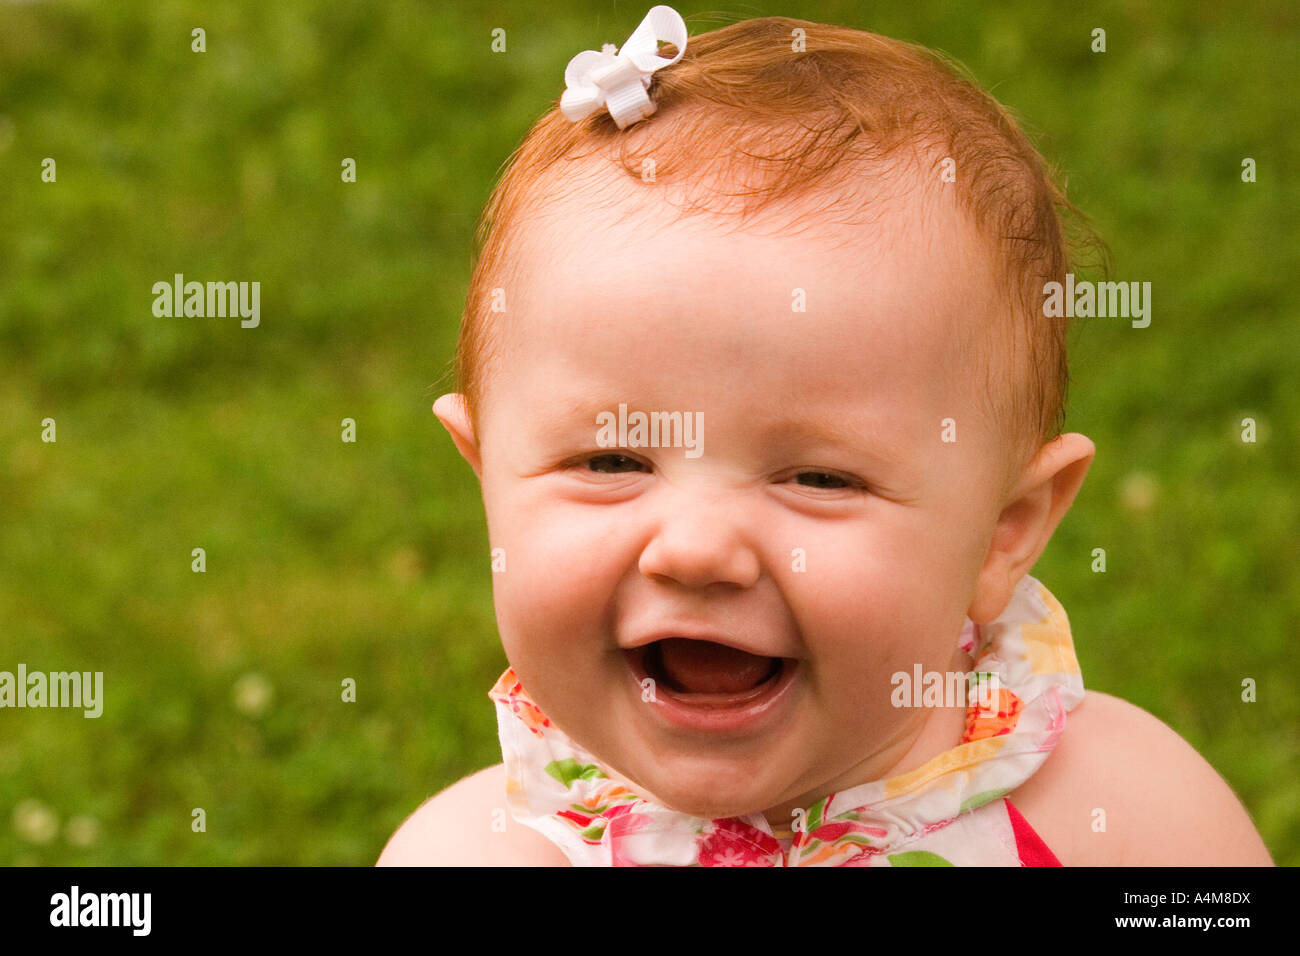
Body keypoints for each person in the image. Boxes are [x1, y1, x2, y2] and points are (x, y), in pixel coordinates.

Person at [379, 7, 1272, 866]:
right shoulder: (469, 854)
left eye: (819, 479)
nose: (696, 550)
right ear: (486, 473)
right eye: (611, 461)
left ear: (1005, 530)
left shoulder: (1123, 818)